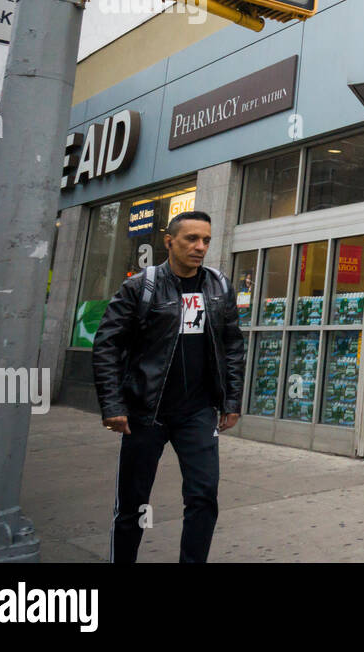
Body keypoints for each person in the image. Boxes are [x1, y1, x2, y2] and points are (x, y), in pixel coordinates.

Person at [92, 210, 245, 563]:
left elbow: (232, 345)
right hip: (146, 413)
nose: (200, 247)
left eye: (206, 240)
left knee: (204, 497)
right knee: (132, 503)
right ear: (169, 241)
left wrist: (231, 400)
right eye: (191, 239)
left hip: (198, 412)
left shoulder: (218, 287)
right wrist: (113, 405)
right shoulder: (140, 287)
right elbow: (107, 345)